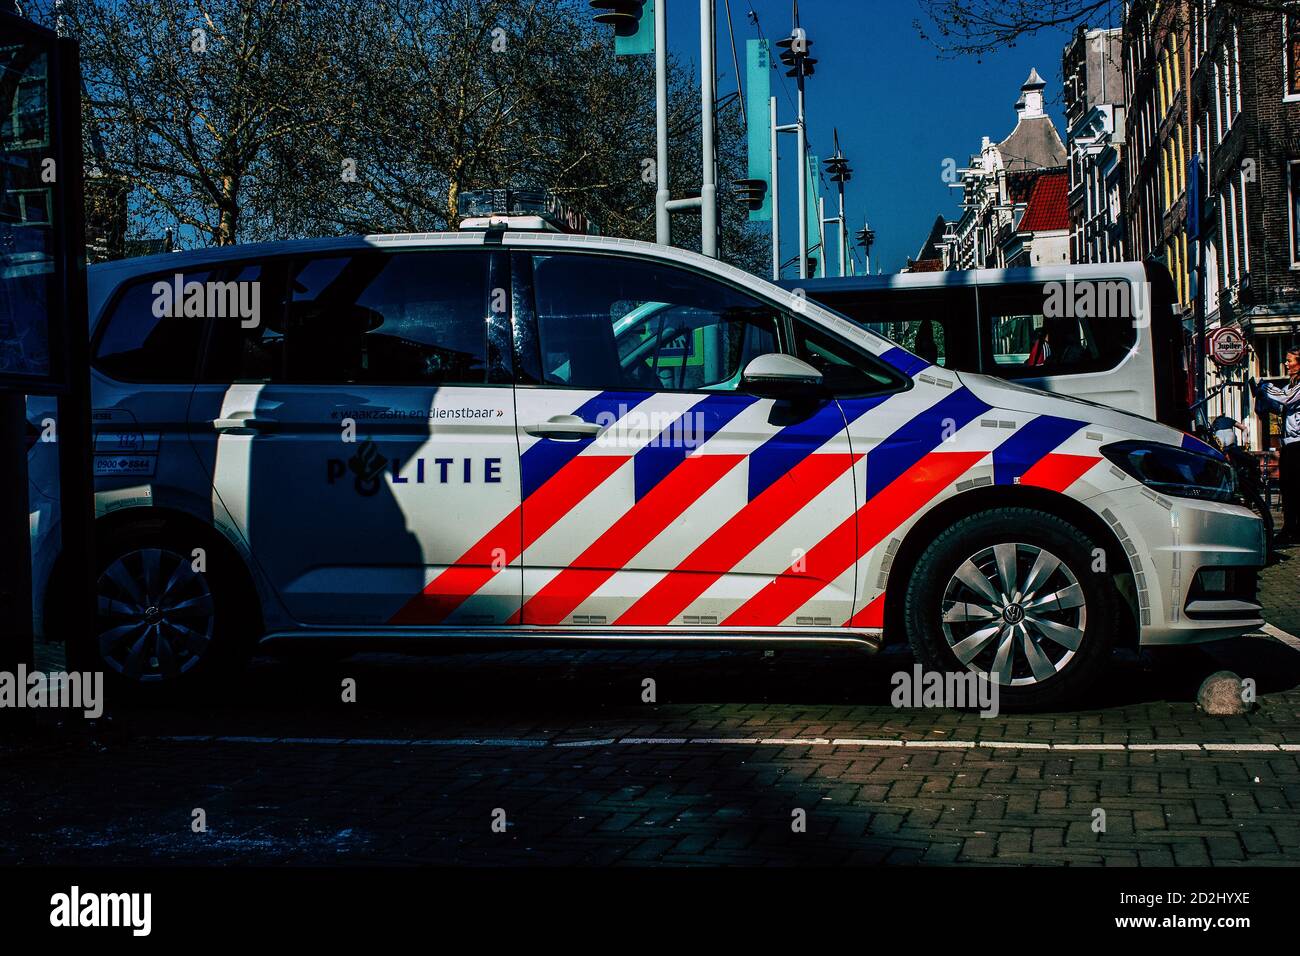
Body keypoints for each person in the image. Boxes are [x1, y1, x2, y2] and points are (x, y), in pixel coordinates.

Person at [1252, 347, 1300, 548]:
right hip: (1289, 444)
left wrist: (1265, 386)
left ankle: (1292, 530)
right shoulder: (1292, 385)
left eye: (1290, 361)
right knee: (1288, 487)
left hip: (1299, 444)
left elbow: (1285, 399)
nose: (1286, 364)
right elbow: (1282, 406)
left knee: (1294, 487)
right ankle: (1291, 529)